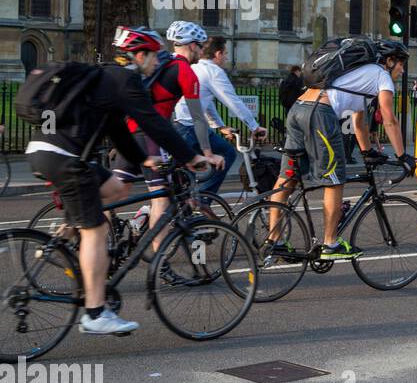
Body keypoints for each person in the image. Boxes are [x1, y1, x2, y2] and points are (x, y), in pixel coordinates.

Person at [26, 27, 209, 335]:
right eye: (154, 56)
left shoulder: (106, 77)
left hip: (44, 151)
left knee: (116, 187)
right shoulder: (128, 80)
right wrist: (190, 156)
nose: (157, 63)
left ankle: (66, 237)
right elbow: (153, 123)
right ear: (140, 55)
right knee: (96, 228)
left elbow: (117, 130)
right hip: (66, 158)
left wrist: (140, 159)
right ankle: (96, 313)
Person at [267, 39, 415, 260]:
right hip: (320, 115)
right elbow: (389, 119)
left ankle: (274, 239)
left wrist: (367, 152)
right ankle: (330, 244)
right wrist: (403, 155)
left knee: (287, 178)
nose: (402, 70)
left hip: (298, 110)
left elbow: (360, 122)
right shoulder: (381, 75)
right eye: (401, 64)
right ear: (389, 61)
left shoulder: (358, 75)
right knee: (335, 180)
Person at [110, 20, 223, 253]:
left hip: (128, 134)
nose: (202, 52)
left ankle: (101, 243)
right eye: (200, 47)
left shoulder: (159, 62)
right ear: (191, 46)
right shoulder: (185, 71)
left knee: (115, 191)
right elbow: (197, 117)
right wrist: (208, 153)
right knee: (160, 198)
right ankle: (159, 262)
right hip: (150, 138)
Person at [175, 34, 267, 193]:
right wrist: (254, 127)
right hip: (188, 128)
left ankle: (193, 203)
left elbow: (206, 102)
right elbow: (233, 102)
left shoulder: (195, 67)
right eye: (225, 54)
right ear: (217, 54)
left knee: (182, 179)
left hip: (182, 126)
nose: (226, 58)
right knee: (228, 153)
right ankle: (204, 197)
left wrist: (220, 126)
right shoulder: (213, 71)